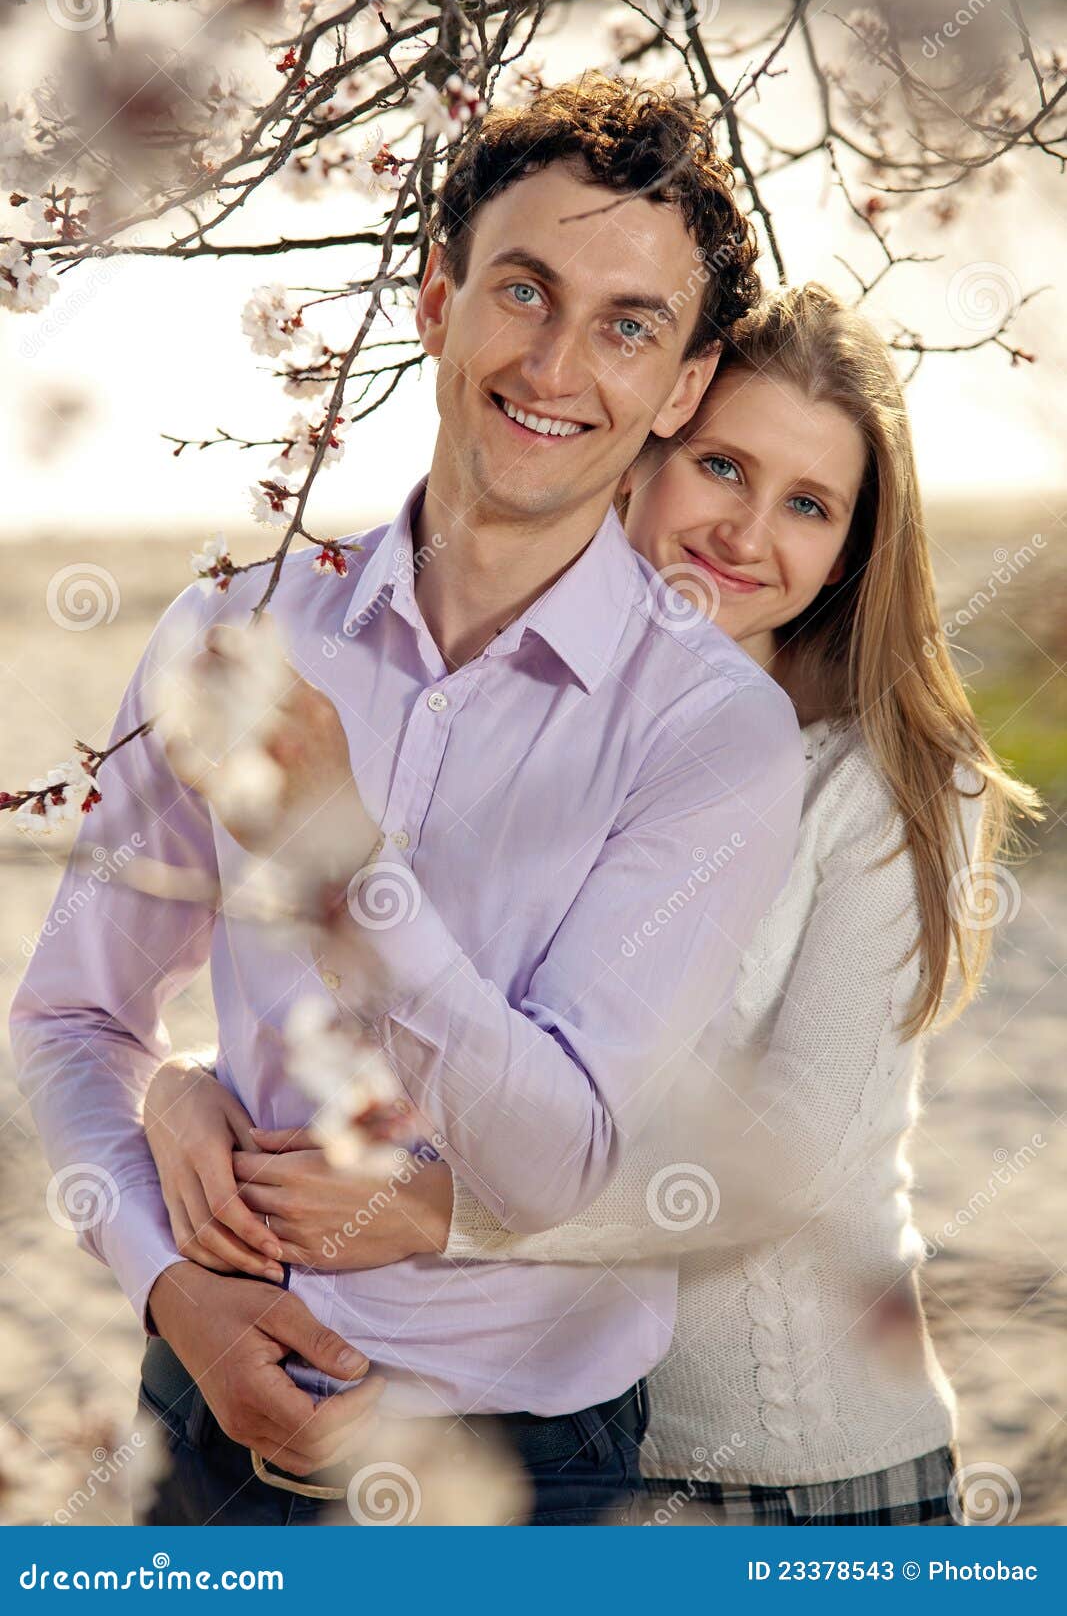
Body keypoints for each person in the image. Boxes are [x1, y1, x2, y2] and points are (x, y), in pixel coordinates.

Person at [9, 76, 805, 1526]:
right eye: (521, 290)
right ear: (438, 297)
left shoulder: (711, 735)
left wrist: (344, 857)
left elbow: (554, 1154)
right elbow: (74, 1017)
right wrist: (170, 1281)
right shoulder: (225, 629)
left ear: (680, 386)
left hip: (523, 1467)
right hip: (198, 1408)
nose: (555, 363)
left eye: (627, 324)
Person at [145, 283, 1039, 1527]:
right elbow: (435, 1003)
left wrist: (444, 1214)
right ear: (640, 451)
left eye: (807, 505)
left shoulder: (885, 783)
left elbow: (782, 1161)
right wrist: (181, 1080)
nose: (743, 531)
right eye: (719, 465)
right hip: (577, 1440)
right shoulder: (550, 722)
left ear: (848, 551)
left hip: (796, 1473)